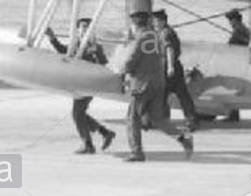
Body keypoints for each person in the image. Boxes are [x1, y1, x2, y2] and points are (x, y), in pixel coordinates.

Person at [112, 10, 193, 162]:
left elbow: (132, 60)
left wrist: (120, 71)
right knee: (158, 118)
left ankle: (137, 152)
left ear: (135, 24)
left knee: (132, 118)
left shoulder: (141, 38)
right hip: (158, 83)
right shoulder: (156, 35)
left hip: (143, 85)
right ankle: (184, 139)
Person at [45, 20, 116, 154]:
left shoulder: (95, 46)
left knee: (77, 114)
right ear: (78, 30)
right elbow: (63, 50)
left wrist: (96, 53)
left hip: (89, 85)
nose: (84, 29)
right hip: (78, 84)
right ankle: (105, 133)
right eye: (82, 27)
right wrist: (52, 37)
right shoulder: (76, 44)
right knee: (79, 114)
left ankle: (88, 144)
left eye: (87, 27)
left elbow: (104, 63)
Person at [152, 9, 197, 131]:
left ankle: (165, 120)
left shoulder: (165, 33)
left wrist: (170, 66)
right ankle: (190, 119)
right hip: (172, 66)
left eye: (155, 20)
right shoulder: (166, 31)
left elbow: (169, 49)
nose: (154, 23)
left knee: (165, 94)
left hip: (168, 66)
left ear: (161, 21)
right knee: (181, 94)